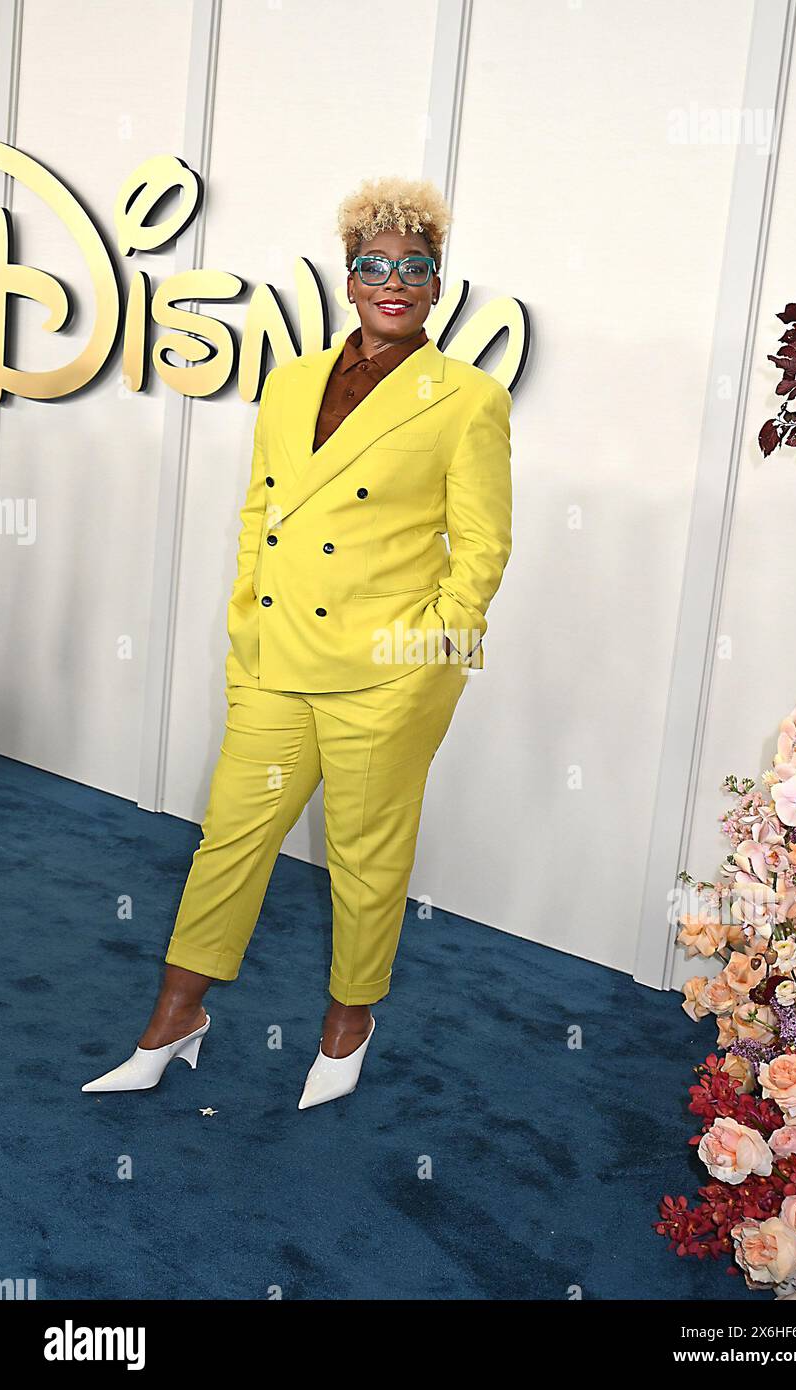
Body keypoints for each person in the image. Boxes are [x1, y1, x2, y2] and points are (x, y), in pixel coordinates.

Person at [82, 175, 513, 1108]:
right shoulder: (289, 383)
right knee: (231, 838)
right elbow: (261, 510)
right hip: (277, 660)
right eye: (374, 265)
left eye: (415, 266)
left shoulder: (466, 399)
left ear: (438, 282)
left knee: (365, 855)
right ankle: (175, 1015)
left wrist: (430, 652)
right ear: (349, 275)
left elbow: (481, 547)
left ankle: (350, 1017)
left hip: (387, 674)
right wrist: (247, 612)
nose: (393, 281)